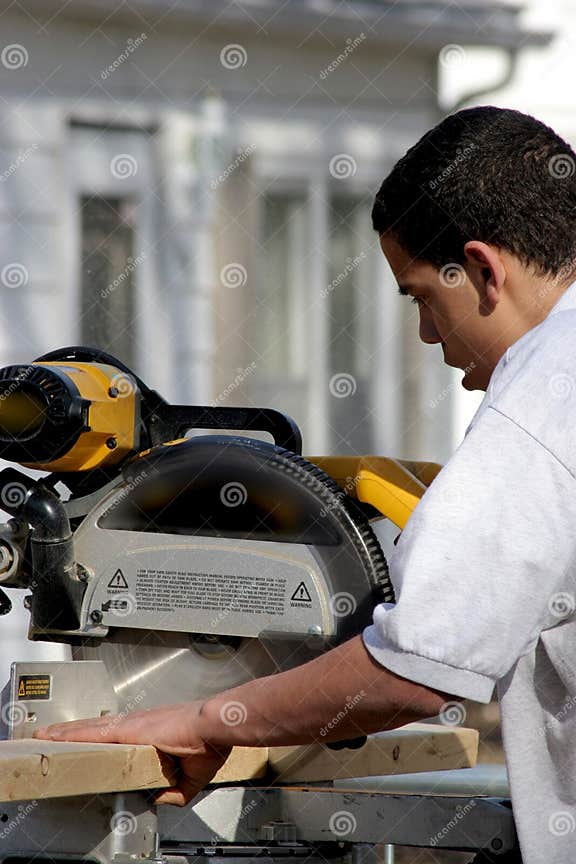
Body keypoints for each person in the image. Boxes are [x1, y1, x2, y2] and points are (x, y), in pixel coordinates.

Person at [35, 106, 576, 864]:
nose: (427, 334)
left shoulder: (542, 401)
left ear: (484, 270)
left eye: (422, 295)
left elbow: (412, 670)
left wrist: (200, 719)